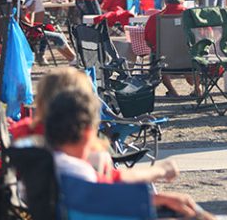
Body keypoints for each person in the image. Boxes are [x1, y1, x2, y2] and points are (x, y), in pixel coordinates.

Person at [44, 87, 217, 219]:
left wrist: (159, 179)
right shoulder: (73, 171)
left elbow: (108, 186)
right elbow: (100, 197)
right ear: (89, 132)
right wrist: (159, 199)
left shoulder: (48, 162)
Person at [144, 0, 198, 97]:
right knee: (197, 51)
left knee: (156, 53)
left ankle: (172, 91)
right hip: (189, 60)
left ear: (165, 0)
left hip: (165, 62)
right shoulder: (193, 17)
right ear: (182, 0)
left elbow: (149, 42)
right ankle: (198, 88)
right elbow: (205, 36)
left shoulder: (154, 18)